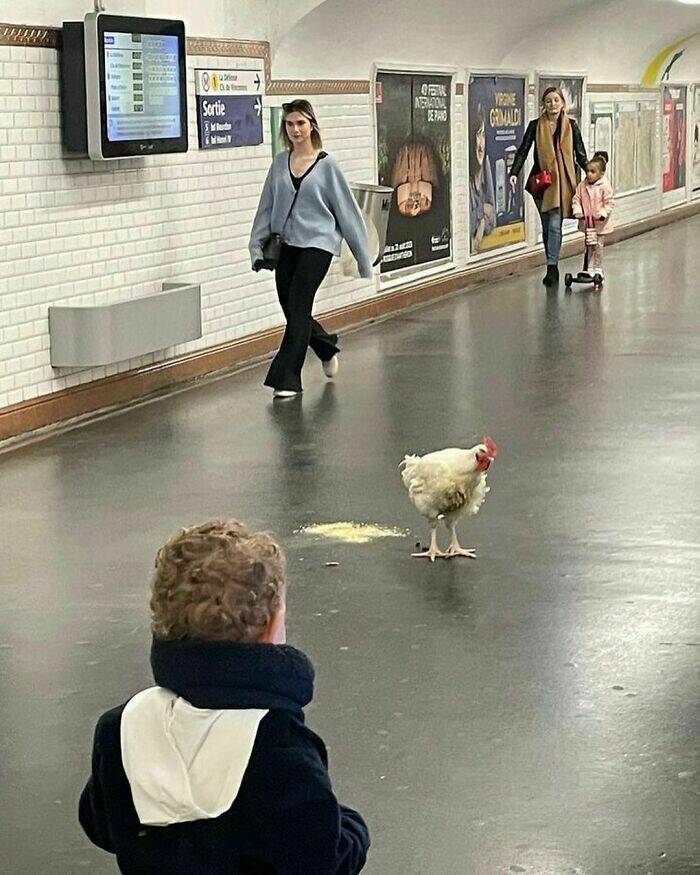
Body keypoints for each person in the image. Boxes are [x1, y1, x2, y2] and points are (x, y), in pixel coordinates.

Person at [78, 519, 371, 874]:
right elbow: (322, 860)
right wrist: (352, 827)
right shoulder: (278, 743)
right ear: (273, 626)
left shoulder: (123, 727)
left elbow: (99, 823)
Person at [249, 100, 372, 399]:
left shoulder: (327, 166)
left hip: (318, 244)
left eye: (301, 123)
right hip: (286, 245)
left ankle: (287, 378)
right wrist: (256, 247)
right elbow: (266, 207)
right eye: (290, 124)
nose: (295, 130)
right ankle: (325, 346)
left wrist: (363, 258)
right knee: (292, 308)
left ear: (312, 126)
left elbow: (348, 213)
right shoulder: (279, 163)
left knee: (299, 303)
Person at [509, 87, 588, 286]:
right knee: (547, 226)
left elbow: (580, 154)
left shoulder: (571, 126)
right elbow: (523, 150)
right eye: (548, 101)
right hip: (541, 184)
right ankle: (551, 260)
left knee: (554, 224)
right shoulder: (535, 126)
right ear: (543, 105)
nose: (552, 104)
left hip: (563, 185)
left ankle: (552, 267)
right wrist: (514, 173)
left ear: (562, 103)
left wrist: (593, 175)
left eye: (556, 100)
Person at [571, 151, 615, 280]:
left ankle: (597, 267)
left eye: (593, 172)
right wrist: (578, 211)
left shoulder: (604, 186)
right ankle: (589, 268)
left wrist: (603, 213)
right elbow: (576, 199)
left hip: (600, 223)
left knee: (598, 245)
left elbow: (609, 202)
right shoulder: (582, 186)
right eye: (587, 171)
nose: (589, 174)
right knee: (589, 244)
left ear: (601, 173)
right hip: (588, 222)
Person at [469, 103, 497, 253]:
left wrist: (481, 224)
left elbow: (493, 220)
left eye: (483, 135)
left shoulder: (486, 168)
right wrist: (482, 211)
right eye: (477, 135)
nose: (481, 145)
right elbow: (469, 223)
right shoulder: (466, 181)